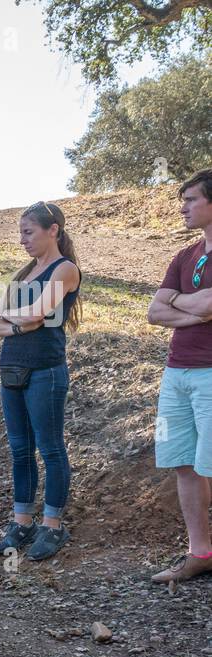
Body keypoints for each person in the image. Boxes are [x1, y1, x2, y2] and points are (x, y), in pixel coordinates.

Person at [0, 201, 82, 562]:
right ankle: (22, 522)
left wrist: (13, 318)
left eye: (29, 232)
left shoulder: (64, 269)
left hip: (46, 371)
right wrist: (18, 322)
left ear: (52, 230)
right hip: (11, 370)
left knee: (51, 448)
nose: (22, 239)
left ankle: (53, 525)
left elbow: (40, 313)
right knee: (20, 449)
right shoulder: (24, 272)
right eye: (20, 233)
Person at [146, 169, 212, 583]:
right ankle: (200, 552)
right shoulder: (185, 255)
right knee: (183, 465)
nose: (183, 207)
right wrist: (192, 303)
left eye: (190, 199)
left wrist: (180, 304)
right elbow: (154, 312)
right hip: (175, 375)